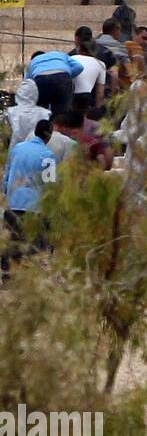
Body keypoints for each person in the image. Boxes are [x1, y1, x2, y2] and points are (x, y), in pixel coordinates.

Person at [2, 120, 55, 278]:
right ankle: (29, 279)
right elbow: (50, 184)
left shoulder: (18, 148)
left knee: (11, 240)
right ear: (49, 136)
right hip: (35, 205)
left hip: (13, 201)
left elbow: (7, 174)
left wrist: (6, 193)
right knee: (33, 244)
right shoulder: (48, 155)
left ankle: (6, 273)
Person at [25, 51, 82, 117]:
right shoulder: (59, 54)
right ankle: (59, 124)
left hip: (41, 79)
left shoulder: (33, 62)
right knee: (61, 111)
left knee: (41, 110)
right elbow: (79, 67)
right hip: (63, 77)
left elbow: (28, 82)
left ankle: (43, 125)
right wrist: (68, 74)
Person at [70, 27, 108, 114]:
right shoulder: (100, 64)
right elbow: (100, 94)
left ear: (79, 47)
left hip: (70, 96)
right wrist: (98, 113)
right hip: (86, 98)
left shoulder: (71, 58)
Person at [5, 79, 50, 150]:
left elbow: (6, 134)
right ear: (36, 93)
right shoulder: (44, 113)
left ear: (18, 93)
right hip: (36, 148)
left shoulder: (10, 111)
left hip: (15, 148)